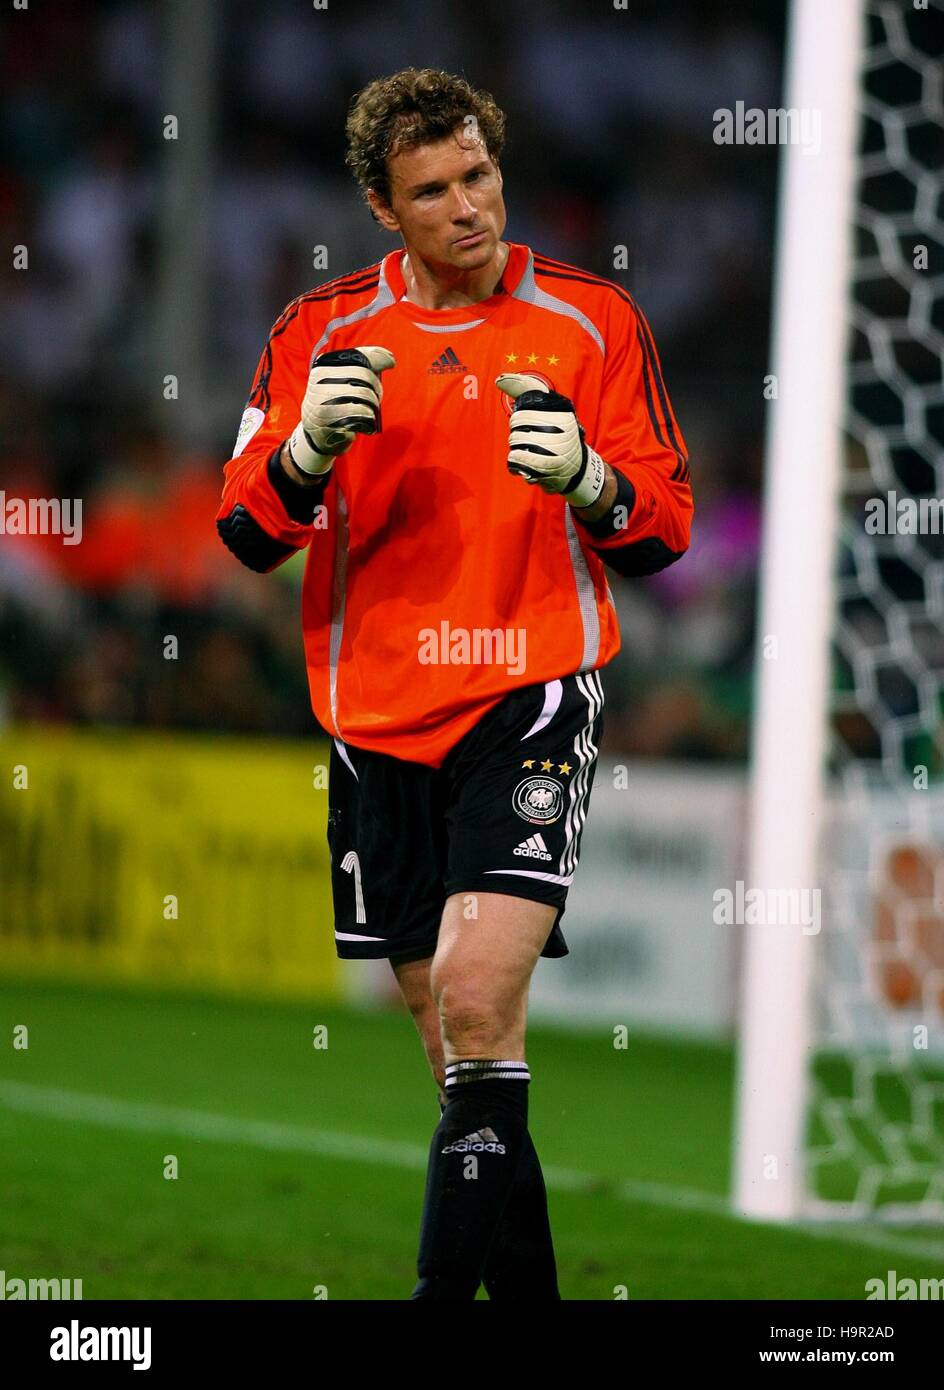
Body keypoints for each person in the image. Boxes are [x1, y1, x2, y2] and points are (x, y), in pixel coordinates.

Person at [216, 67, 693, 1300]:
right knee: (458, 1052)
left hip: (528, 689)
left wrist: (593, 480)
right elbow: (245, 533)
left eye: (477, 175)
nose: (467, 207)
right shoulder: (317, 334)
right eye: (432, 190)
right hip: (371, 716)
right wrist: (306, 451)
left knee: (480, 1001)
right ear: (384, 206)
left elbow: (665, 529)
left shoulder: (591, 322)